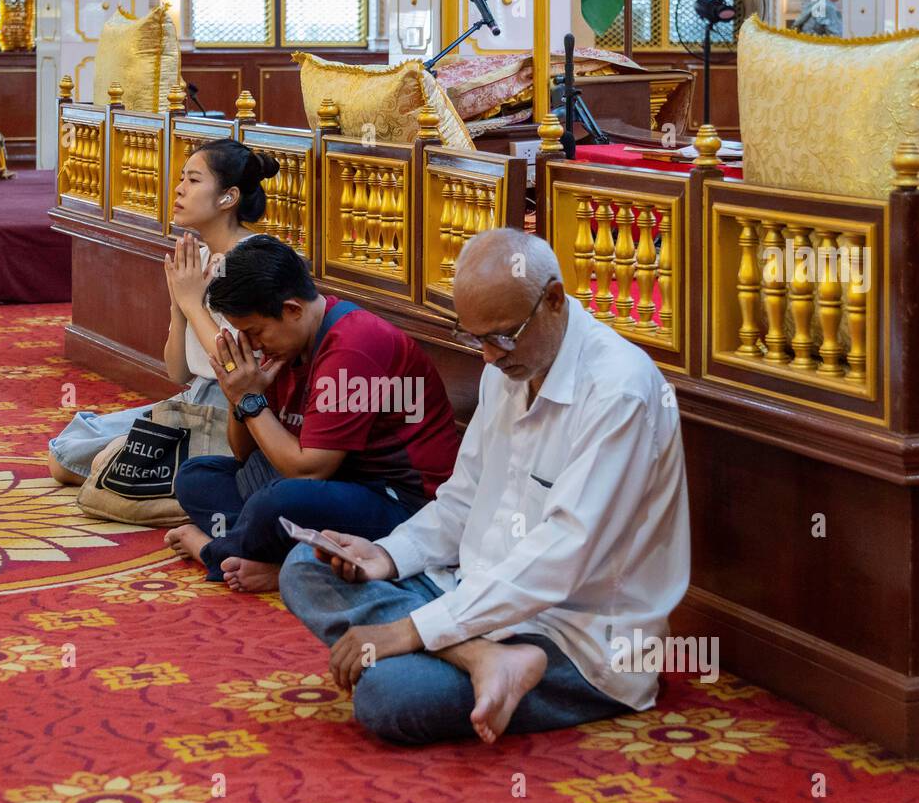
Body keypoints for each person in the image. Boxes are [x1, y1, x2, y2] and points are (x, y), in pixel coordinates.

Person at [278, 228, 690, 746]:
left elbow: (562, 557)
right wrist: (387, 554)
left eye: (501, 335)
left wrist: (411, 631)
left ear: (554, 300)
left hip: (575, 641)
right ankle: (481, 658)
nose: (489, 356)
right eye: (474, 338)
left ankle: (481, 652)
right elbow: (463, 500)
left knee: (388, 696)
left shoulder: (619, 392)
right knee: (303, 567)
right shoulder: (509, 368)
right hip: (473, 596)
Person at [165, 235, 460, 594]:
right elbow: (245, 455)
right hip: (335, 484)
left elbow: (309, 469)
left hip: (400, 503)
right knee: (196, 477)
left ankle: (215, 550)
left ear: (292, 309)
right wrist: (237, 395)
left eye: (255, 332)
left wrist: (251, 399)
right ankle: (281, 558)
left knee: (278, 501)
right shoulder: (288, 345)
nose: (253, 345)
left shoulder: (354, 345)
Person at [46, 139, 279, 484]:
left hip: (232, 410)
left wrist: (191, 301)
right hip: (193, 395)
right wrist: (178, 305)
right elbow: (178, 372)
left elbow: (235, 367)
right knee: (70, 447)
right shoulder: (197, 258)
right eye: (182, 178)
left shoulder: (252, 259)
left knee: (78, 462)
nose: (179, 189)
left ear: (228, 197)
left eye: (194, 180)